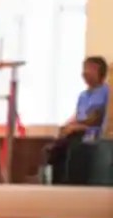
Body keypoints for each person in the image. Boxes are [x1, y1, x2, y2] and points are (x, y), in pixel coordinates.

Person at [46, 55, 109, 184]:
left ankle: (73, 184)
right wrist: (66, 126)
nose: (85, 72)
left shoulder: (106, 91)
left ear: (101, 72)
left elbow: (95, 118)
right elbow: (77, 115)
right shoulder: (83, 95)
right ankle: (57, 185)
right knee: (54, 149)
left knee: (75, 145)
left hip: (93, 133)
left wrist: (76, 126)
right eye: (84, 68)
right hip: (79, 130)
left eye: (90, 69)